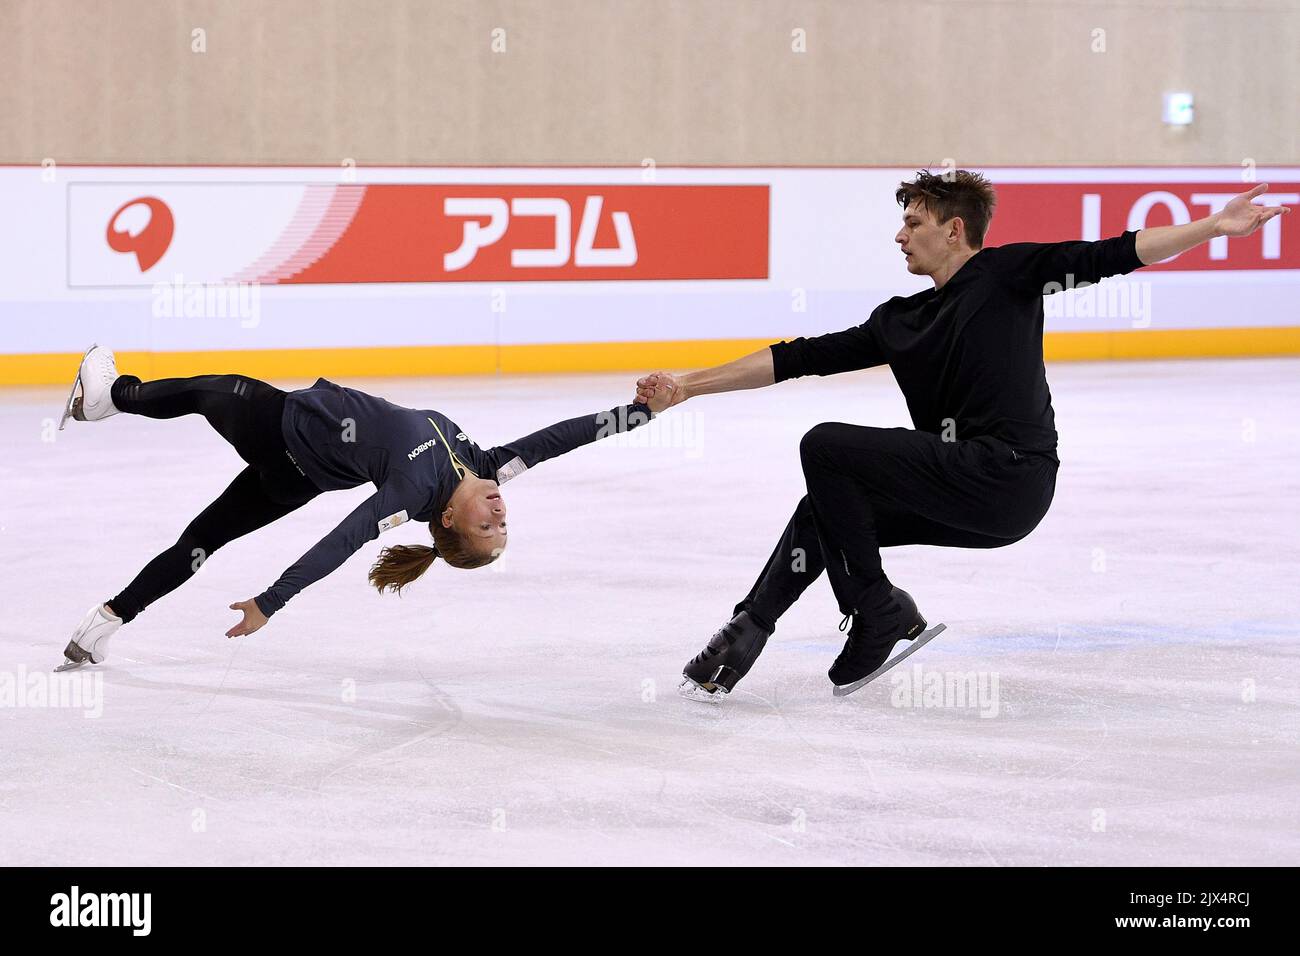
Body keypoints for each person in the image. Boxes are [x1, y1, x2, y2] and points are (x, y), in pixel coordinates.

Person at [636, 173, 1289, 698]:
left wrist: (1213, 227)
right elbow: (795, 356)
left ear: (954, 230)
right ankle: (746, 635)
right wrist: (689, 386)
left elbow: (1114, 254)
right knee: (822, 511)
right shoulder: (899, 319)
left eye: (912, 223)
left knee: (826, 446)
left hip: (1012, 476)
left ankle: (877, 610)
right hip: (960, 483)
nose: (899, 236)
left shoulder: (1007, 276)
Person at [54, 347, 663, 670]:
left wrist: (272, 600)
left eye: (488, 526)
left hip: (285, 431)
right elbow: (563, 438)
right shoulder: (490, 464)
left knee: (220, 389)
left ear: (449, 523)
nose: (500, 512)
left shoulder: (409, 495)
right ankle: (105, 623)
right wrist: (636, 415)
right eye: (504, 522)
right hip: (295, 478)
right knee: (201, 541)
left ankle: (113, 396)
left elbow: (343, 539)